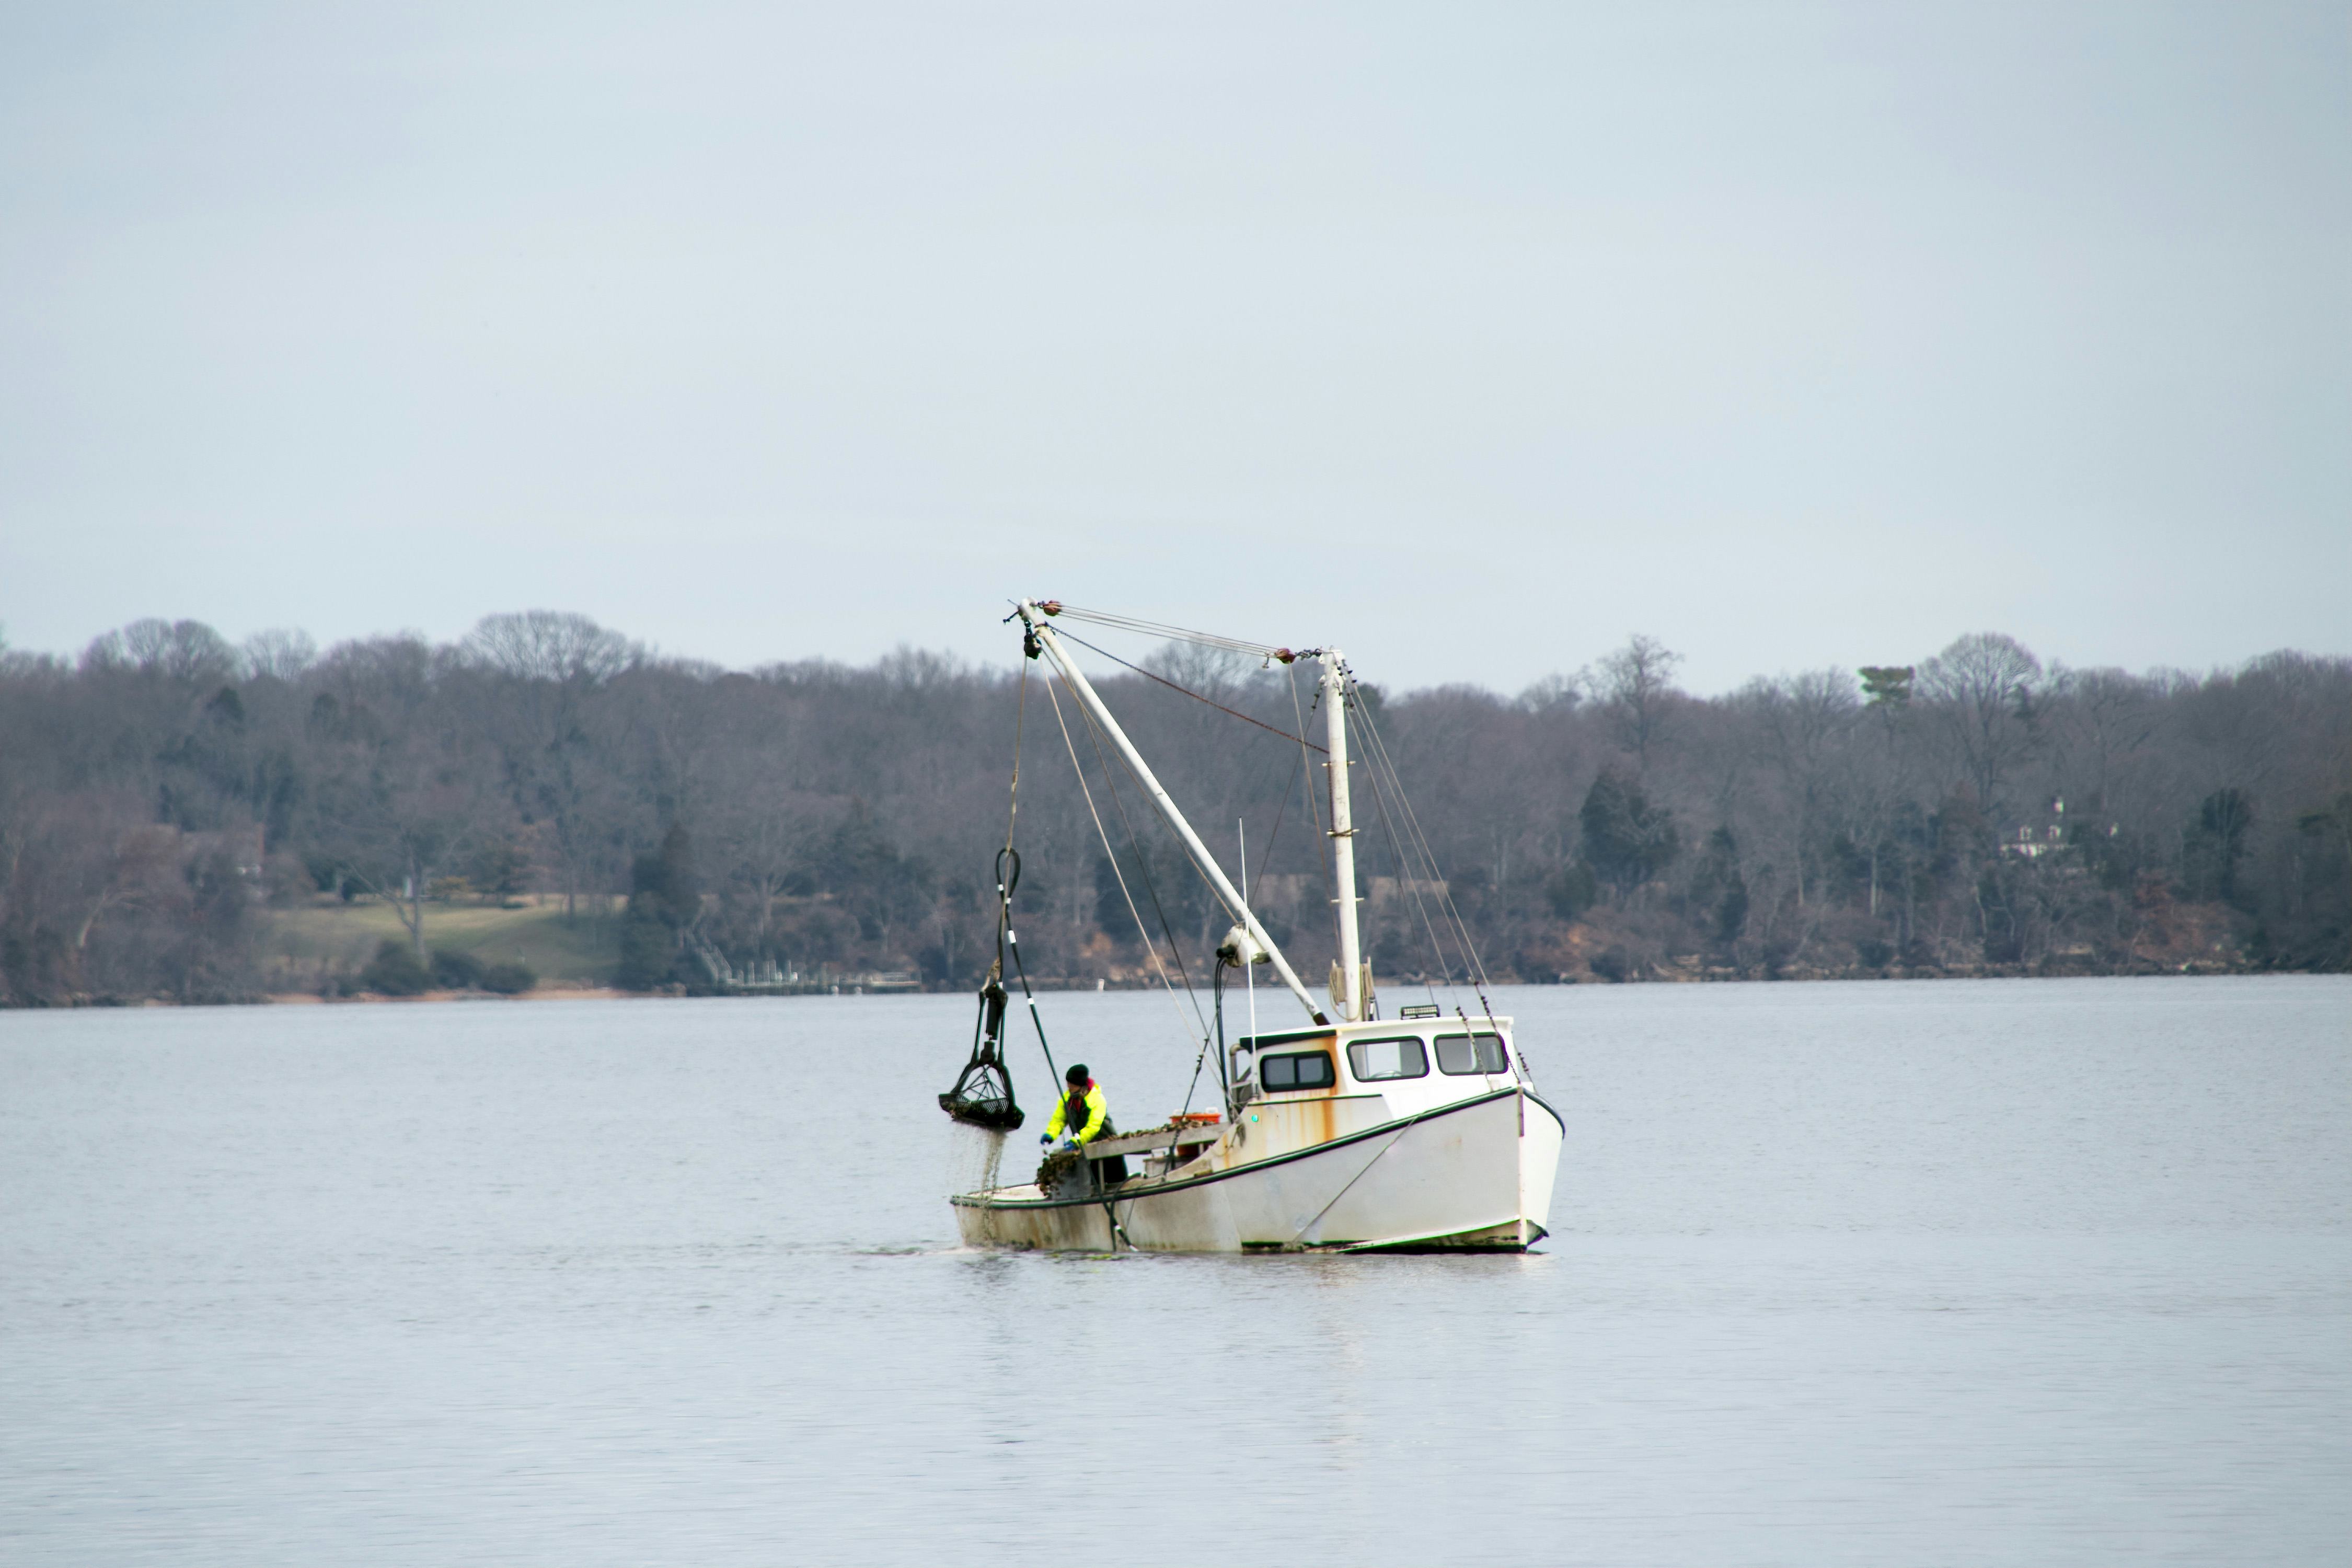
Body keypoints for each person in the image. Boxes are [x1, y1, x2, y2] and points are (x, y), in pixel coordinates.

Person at [1040, 1062, 1127, 1184]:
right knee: (1093, 1184)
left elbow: (1093, 1126)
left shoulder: (1097, 1099)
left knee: (1118, 1183)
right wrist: (1051, 1134)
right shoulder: (1066, 1100)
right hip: (1088, 1147)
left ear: (1081, 1085)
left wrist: (1076, 1141)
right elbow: (1059, 1120)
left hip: (1108, 1145)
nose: (1068, 1086)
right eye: (1068, 1083)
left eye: (1072, 1084)